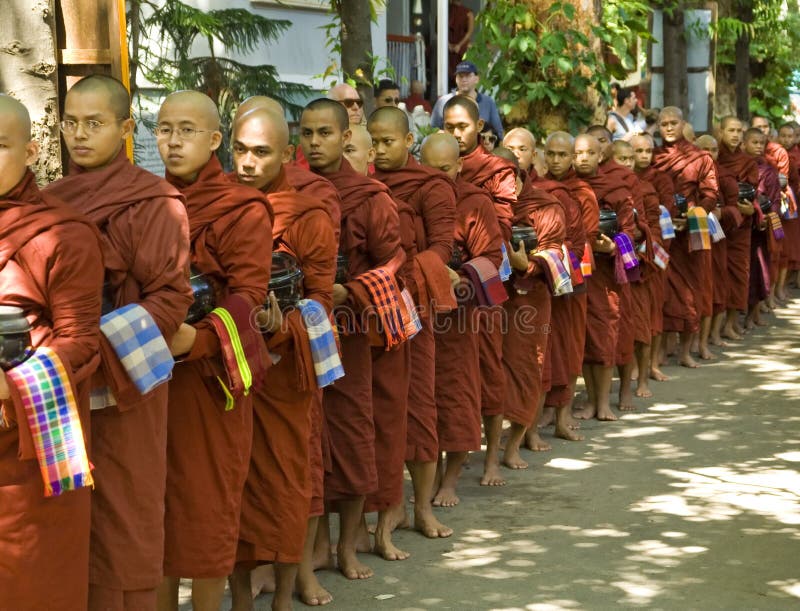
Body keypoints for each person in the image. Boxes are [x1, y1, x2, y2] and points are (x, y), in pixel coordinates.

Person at [45, 74, 193, 611]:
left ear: (127, 128)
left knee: (126, 513)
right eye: (71, 123)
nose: (79, 134)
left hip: (123, 381)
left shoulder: (155, 202)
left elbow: (170, 299)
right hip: (63, 382)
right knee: (68, 514)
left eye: (95, 123)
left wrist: (94, 350)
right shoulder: (51, 198)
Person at [156, 91, 273, 611]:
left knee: (206, 503)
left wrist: (198, 341)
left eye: (186, 130)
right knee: (153, 504)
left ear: (214, 140)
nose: (173, 141)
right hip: (148, 376)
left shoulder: (242, 208)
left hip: (211, 380)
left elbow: (248, 295)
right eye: (163, 129)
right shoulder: (145, 200)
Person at [227, 106, 338, 611]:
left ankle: (284, 600)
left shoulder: (308, 214)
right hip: (225, 369)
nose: (248, 163)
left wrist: (282, 324)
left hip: (284, 372)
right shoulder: (215, 204)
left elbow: (320, 304)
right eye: (240, 150)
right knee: (232, 486)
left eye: (261, 152)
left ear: (285, 153)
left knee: (287, 487)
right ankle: (240, 597)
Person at [0, 94, 104, 610]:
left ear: (31, 150)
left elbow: (82, 341)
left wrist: (9, 386)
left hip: (28, 431)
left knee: (33, 576)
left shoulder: (62, 232)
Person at [301, 98, 409, 583]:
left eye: (325, 133)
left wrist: (353, 289)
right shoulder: (289, 190)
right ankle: (316, 545)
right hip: (298, 336)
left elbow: (395, 262)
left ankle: (348, 546)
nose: (315, 142)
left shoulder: (369, 196)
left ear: (346, 137)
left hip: (348, 330)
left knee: (350, 435)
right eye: (307, 133)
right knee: (309, 441)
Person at [369, 107, 458, 519]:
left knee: (418, 404)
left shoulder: (430, 185)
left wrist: (403, 278)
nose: (380, 150)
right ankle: (391, 503)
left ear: (408, 142)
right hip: (372, 309)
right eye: (374, 142)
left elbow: (443, 247)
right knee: (379, 410)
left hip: (411, 307)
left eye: (388, 142)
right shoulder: (365, 184)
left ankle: (422, 506)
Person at [422, 133, 504, 496]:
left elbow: (494, 259)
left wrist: (463, 274)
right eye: (429, 169)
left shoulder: (474, 201)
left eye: (444, 169)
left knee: (456, 395)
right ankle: (428, 475)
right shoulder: (411, 194)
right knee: (424, 398)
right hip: (419, 312)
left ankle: (450, 480)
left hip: (458, 315)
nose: (437, 177)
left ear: (459, 165)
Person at [441, 95, 515, 483]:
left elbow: (500, 228)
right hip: (441, 292)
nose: (455, 133)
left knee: (488, 369)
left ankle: (490, 459)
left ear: (480, 128)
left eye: (462, 127)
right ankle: (457, 447)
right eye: (448, 127)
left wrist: (463, 266)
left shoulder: (497, 170)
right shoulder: (433, 169)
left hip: (482, 280)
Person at [492, 148, 564, 468]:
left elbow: (555, 255)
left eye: (504, 176)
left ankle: (512, 447)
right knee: (490, 374)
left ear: (519, 174)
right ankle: (491, 450)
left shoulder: (544, 205)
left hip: (529, 299)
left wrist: (528, 265)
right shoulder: (480, 203)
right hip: (490, 299)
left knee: (524, 372)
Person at [572, 134, 637, 421]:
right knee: (584, 338)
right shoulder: (564, 187)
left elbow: (632, 230)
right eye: (579, 153)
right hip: (577, 273)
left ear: (601, 157)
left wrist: (613, 246)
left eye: (589, 153)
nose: (583, 158)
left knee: (605, 337)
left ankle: (603, 402)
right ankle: (589, 400)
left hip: (605, 274)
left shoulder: (617, 188)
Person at [652, 107, 718, 368]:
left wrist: (692, 216)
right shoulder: (653, 156)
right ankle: (661, 351)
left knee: (692, 291)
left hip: (691, 231)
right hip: (661, 231)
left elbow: (711, 194)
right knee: (664, 292)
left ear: (683, 124)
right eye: (663, 124)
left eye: (673, 123)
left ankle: (685, 351)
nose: (668, 128)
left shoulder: (700, 158)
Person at [543, 131, 598, 432]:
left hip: (572, 273)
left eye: (562, 155)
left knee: (570, 345)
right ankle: (549, 410)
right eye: (550, 154)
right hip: (543, 275)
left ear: (572, 157)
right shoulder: (539, 186)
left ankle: (563, 413)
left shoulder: (581, 191)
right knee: (549, 345)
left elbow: (584, 236)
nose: (555, 160)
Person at [611, 140, 662, 401]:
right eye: (622, 158)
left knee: (641, 328)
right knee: (618, 330)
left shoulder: (643, 188)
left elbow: (651, 224)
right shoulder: (607, 184)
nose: (628, 164)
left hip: (637, 264)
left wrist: (640, 236)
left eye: (631, 159)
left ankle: (640, 380)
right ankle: (620, 383)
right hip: (612, 267)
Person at [630, 133, 678, 381]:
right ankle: (636, 367)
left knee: (654, 310)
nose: (642, 156)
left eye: (647, 151)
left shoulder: (657, 181)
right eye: (637, 152)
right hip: (628, 255)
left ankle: (652, 364)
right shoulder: (620, 181)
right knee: (634, 316)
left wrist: (649, 244)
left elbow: (665, 211)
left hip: (654, 250)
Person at [695, 134, 741, 348]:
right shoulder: (690, 173)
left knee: (717, 287)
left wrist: (723, 213)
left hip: (717, 238)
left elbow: (736, 207)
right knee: (697, 290)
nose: (709, 155)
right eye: (704, 150)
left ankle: (711, 336)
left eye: (713, 150)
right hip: (693, 238)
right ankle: (693, 340)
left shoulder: (725, 175)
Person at [717, 116, 758, 339]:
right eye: (731, 130)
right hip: (719, 226)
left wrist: (752, 209)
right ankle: (717, 324)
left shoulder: (747, 162)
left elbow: (753, 193)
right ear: (721, 131)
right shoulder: (715, 157)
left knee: (739, 275)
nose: (735, 135)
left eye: (739, 131)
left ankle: (730, 323)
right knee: (719, 275)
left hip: (741, 229)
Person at [742, 127, 783, 328]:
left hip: (760, 228)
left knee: (760, 270)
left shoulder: (768, 171)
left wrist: (768, 216)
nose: (758, 147)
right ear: (744, 143)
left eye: (761, 143)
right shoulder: (738, 167)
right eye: (754, 142)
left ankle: (753, 314)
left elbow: (775, 199)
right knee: (744, 271)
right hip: (741, 226)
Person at [753, 115, 796, 303]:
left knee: (781, 250)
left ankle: (774, 291)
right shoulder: (753, 155)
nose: (762, 130)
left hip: (778, 207)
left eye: (764, 127)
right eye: (758, 127)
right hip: (754, 210)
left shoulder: (777, 153)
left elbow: (783, 178)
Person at [431, 61, 504, 139]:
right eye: (460, 76)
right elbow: (432, 130)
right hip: (451, 148)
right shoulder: (443, 101)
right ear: (456, 79)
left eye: (468, 76)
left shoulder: (488, 102)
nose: (464, 79)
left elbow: (498, 132)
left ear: (477, 79)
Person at [448, 0, 475, 82]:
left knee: (462, 74)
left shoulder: (468, 13)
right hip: (451, 48)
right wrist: (448, 44)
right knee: (450, 75)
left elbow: (469, 32)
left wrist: (458, 45)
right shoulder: (445, 11)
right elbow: (439, 30)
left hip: (460, 49)